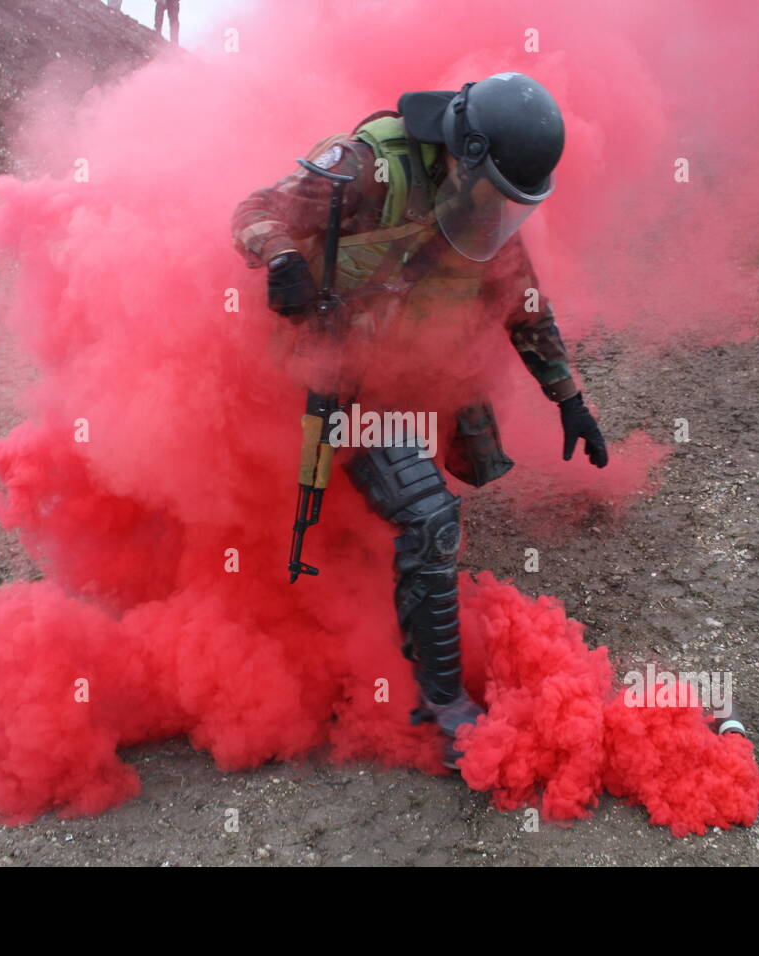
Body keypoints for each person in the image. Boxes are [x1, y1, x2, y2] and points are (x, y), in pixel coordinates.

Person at [231, 73, 609, 768]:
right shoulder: (371, 168)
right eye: (495, 188)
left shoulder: (486, 204)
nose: (501, 211)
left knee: (441, 487)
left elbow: (521, 301)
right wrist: (283, 257)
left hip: (410, 365)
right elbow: (255, 209)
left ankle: (388, 563)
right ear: (463, 154)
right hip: (340, 377)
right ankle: (438, 702)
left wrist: (570, 400)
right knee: (431, 517)